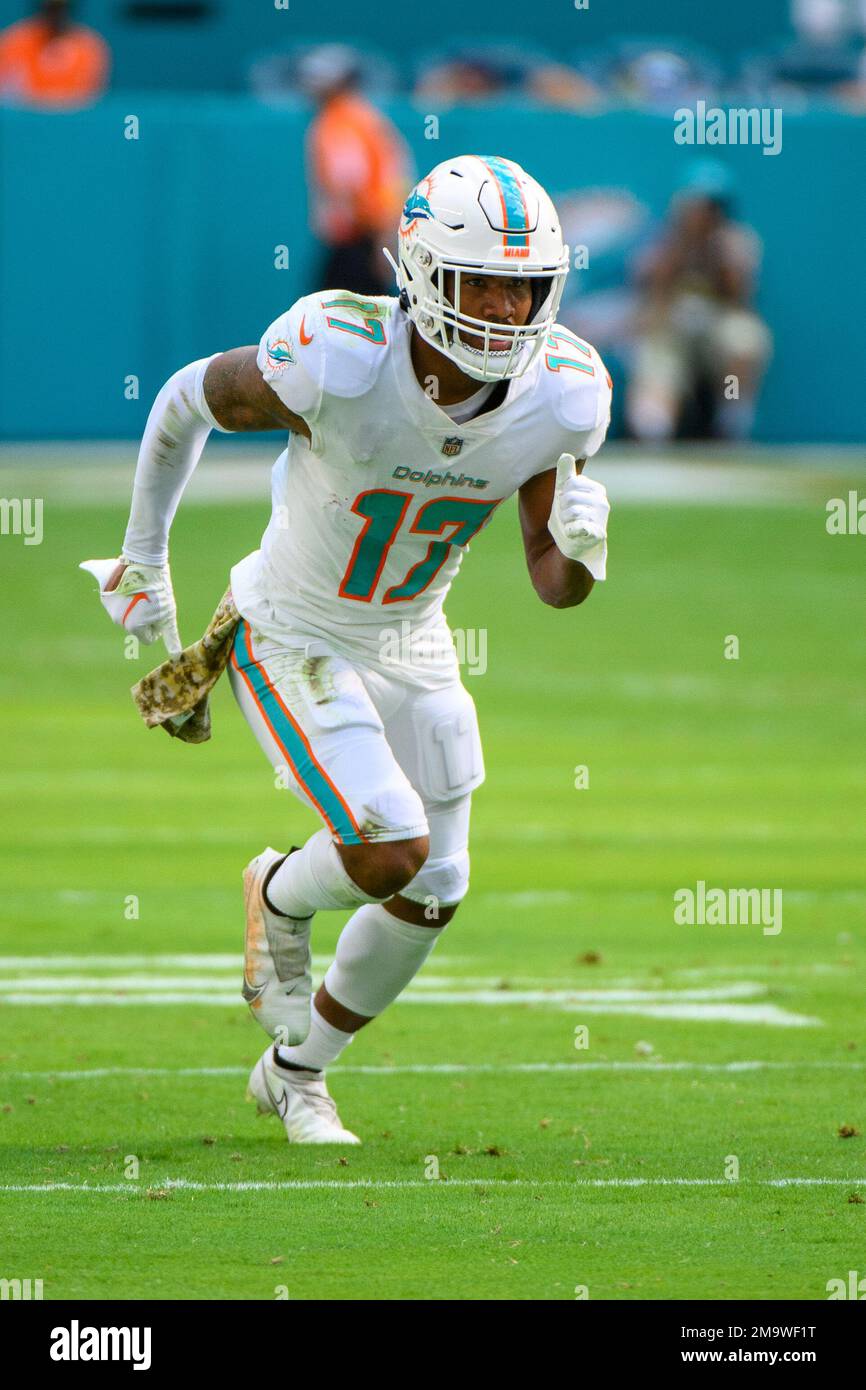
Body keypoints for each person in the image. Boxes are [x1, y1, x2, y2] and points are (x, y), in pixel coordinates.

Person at [81, 155, 612, 1146]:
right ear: (418, 271)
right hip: (290, 624)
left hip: (412, 634)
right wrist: (144, 552)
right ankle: (278, 891)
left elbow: (551, 581)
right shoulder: (339, 352)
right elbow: (189, 396)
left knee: (435, 886)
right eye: (479, 282)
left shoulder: (567, 393)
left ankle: (296, 1074)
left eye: (522, 285)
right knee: (387, 845)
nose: (502, 308)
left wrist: (582, 548)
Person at [626, 162, 772, 442]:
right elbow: (650, 287)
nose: (701, 215)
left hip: (719, 323)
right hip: (670, 327)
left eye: (709, 207)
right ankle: (653, 430)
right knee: (654, 353)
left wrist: (715, 251)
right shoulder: (664, 239)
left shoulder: (737, 242)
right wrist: (680, 246)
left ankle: (732, 421)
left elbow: (739, 294)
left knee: (744, 338)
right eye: (696, 206)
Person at [300, 44, 411, 297]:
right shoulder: (366, 117)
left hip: (357, 241)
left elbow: (350, 183)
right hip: (368, 237)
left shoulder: (340, 122)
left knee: (331, 315)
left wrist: (379, 240)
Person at [0, 0, 109, 109]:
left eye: (61, 10)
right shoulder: (13, 42)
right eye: (51, 10)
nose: (56, 17)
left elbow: (92, 96)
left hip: (72, 119)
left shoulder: (89, 46)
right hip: (25, 117)